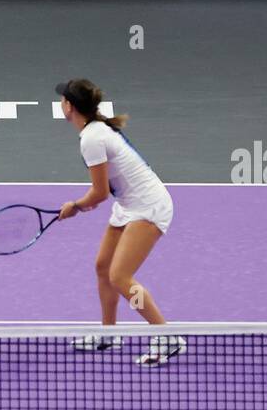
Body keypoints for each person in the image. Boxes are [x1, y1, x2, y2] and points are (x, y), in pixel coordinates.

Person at [55, 78, 185, 367]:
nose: (60, 103)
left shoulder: (92, 137)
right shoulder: (94, 131)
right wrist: (81, 205)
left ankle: (167, 335)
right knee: (103, 266)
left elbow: (99, 193)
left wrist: (75, 206)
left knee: (119, 276)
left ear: (70, 107)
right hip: (129, 205)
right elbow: (104, 192)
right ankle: (109, 334)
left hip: (148, 206)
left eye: (63, 99)